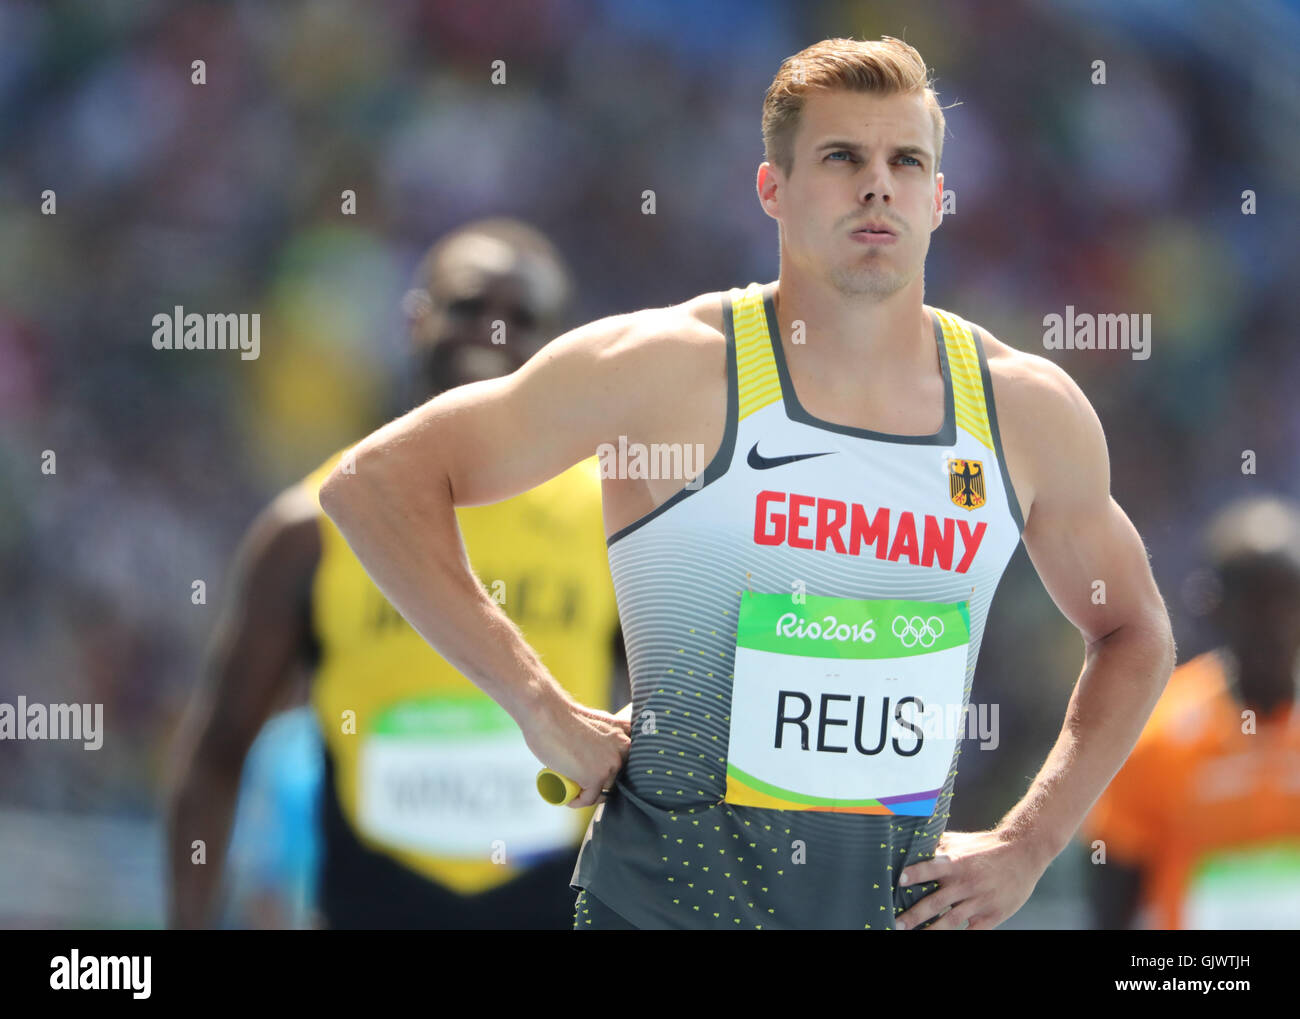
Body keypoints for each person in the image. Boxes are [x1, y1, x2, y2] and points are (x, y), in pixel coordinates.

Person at [318, 36, 1176, 930]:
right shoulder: (669, 369)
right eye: (842, 157)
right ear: (773, 188)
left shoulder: (1025, 412)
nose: (877, 185)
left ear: (939, 198)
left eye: (906, 161)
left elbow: (1135, 629)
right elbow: (377, 482)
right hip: (658, 909)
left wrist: (1030, 841)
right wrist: (538, 705)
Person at [167, 218, 625, 930]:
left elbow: (679, 726)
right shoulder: (310, 528)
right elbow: (217, 752)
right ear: (416, 320)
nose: (493, 331)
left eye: (522, 318)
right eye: (470, 307)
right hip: (368, 906)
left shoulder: (616, 520)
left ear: (556, 349)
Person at [1083, 496, 1300, 929]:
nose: (1273, 625)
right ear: (1216, 608)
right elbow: (1110, 905)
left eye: (1288, 601)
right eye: (1255, 604)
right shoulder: (1155, 736)